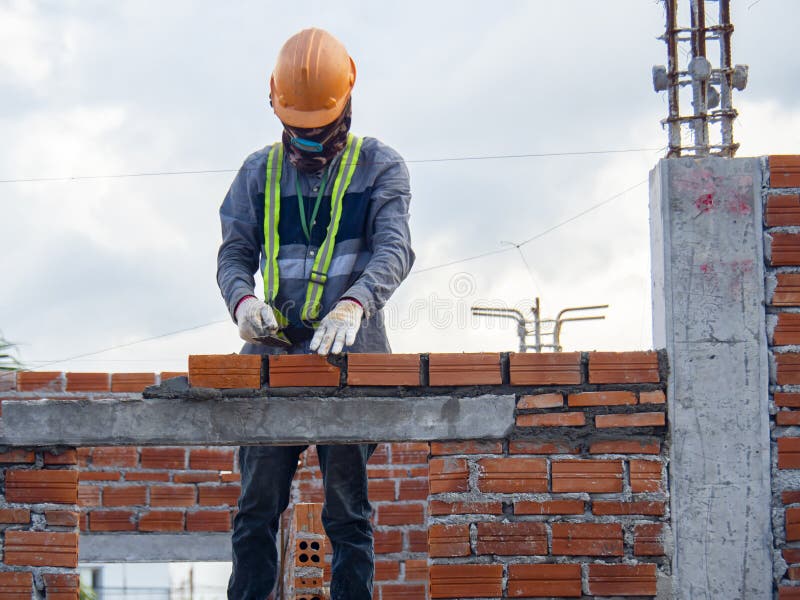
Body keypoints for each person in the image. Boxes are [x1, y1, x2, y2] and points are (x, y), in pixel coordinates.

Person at [216, 27, 414, 600]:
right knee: (255, 511)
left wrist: (355, 303)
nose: (309, 143)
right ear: (276, 104)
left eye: (320, 131)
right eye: (298, 131)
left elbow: (394, 248)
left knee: (348, 515)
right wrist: (242, 301)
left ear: (347, 102)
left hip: (348, 361)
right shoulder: (259, 171)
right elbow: (233, 253)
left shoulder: (380, 166)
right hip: (273, 362)